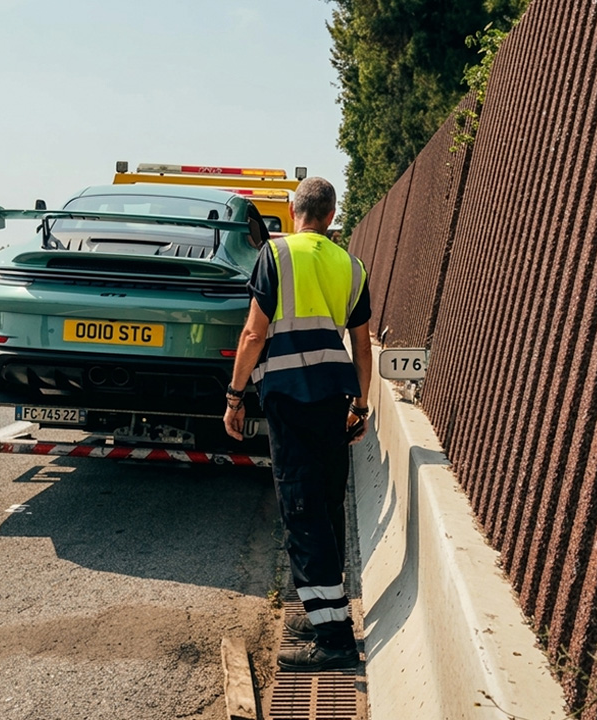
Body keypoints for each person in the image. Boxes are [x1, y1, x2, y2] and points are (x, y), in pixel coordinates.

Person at [223, 177, 373, 671]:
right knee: (328, 503)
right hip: (334, 398)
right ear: (331, 217)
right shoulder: (350, 265)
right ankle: (327, 614)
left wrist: (235, 395)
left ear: (292, 211)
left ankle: (333, 640)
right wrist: (362, 403)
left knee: (301, 508)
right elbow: (362, 343)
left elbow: (252, 333)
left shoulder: (276, 255)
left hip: (289, 399)